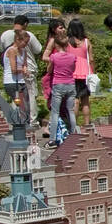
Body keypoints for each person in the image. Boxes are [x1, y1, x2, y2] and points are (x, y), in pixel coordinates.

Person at [0, 16, 43, 128]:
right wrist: (23, 69)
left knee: (22, 101)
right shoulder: (14, 49)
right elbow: (38, 50)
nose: (25, 45)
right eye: (25, 43)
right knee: (24, 100)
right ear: (25, 24)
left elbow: (23, 64)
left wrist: (24, 68)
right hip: (13, 79)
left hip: (21, 77)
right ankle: (24, 122)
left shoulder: (5, 35)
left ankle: (22, 121)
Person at [41, 19, 79, 147]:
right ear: (54, 30)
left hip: (60, 79)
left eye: (63, 27)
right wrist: (57, 61)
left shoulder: (65, 42)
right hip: (62, 78)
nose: (62, 29)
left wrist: (57, 61)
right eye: (60, 28)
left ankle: (57, 136)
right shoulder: (53, 41)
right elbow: (44, 57)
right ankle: (65, 133)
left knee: (59, 110)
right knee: (63, 109)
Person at [67, 18, 93, 130]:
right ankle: (87, 125)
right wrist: (93, 71)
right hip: (86, 73)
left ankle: (74, 126)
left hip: (72, 72)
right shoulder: (86, 41)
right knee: (86, 101)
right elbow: (91, 59)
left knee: (75, 101)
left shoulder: (67, 42)